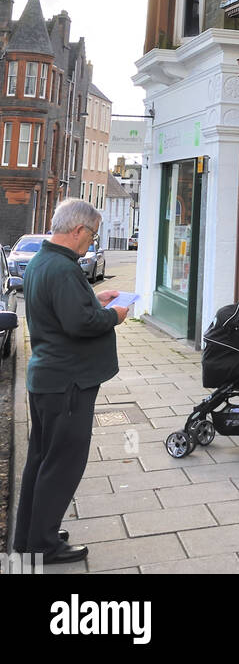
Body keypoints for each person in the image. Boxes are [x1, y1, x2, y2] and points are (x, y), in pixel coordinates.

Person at [13, 199, 129, 564]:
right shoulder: (62, 269)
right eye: (92, 235)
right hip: (68, 383)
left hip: (49, 378)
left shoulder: (43, 262)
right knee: (63, 463)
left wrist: (93, 298)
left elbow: (63, 309)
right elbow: (79, 324)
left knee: (41, 459)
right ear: (77, 230)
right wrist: (113, 315)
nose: (91, 243)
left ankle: (31, 535)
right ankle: (43, 545)